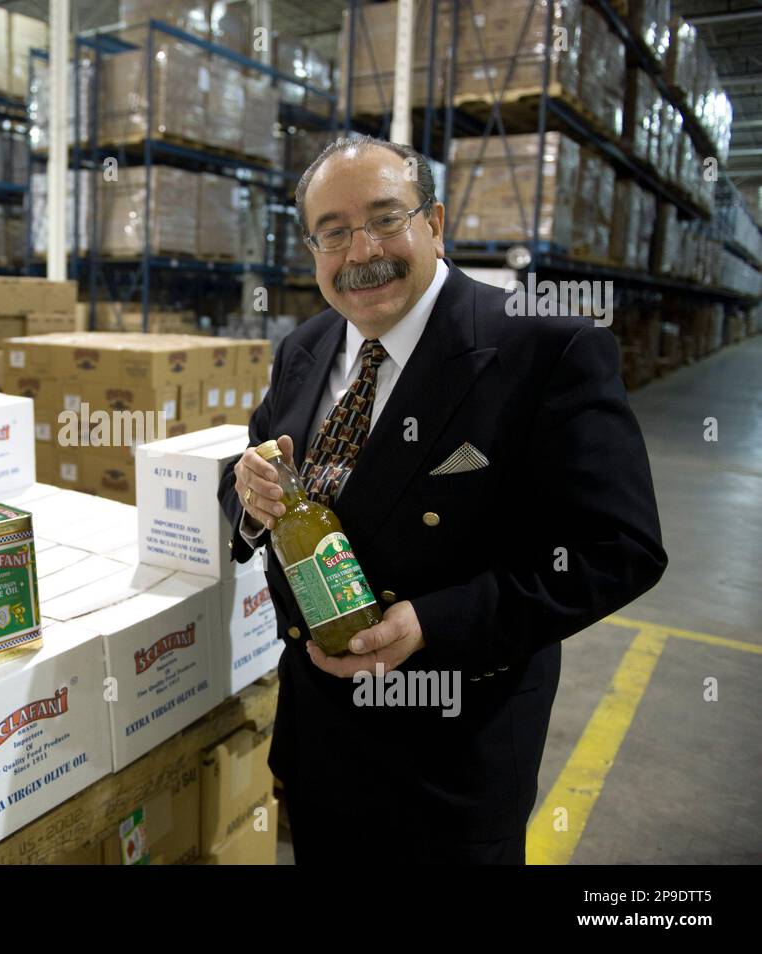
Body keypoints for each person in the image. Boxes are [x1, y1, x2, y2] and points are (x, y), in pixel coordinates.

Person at [218, 135, 667, 863]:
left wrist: (436, 621)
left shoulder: (543, 348)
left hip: (449, 762)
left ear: (435, 221)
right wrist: (247, 493)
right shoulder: (302, 349)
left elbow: (619, 549)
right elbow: (257, 481)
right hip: (320, 748)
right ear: (312, 250)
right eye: (333, 232)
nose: (361, 250)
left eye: (386, 218)